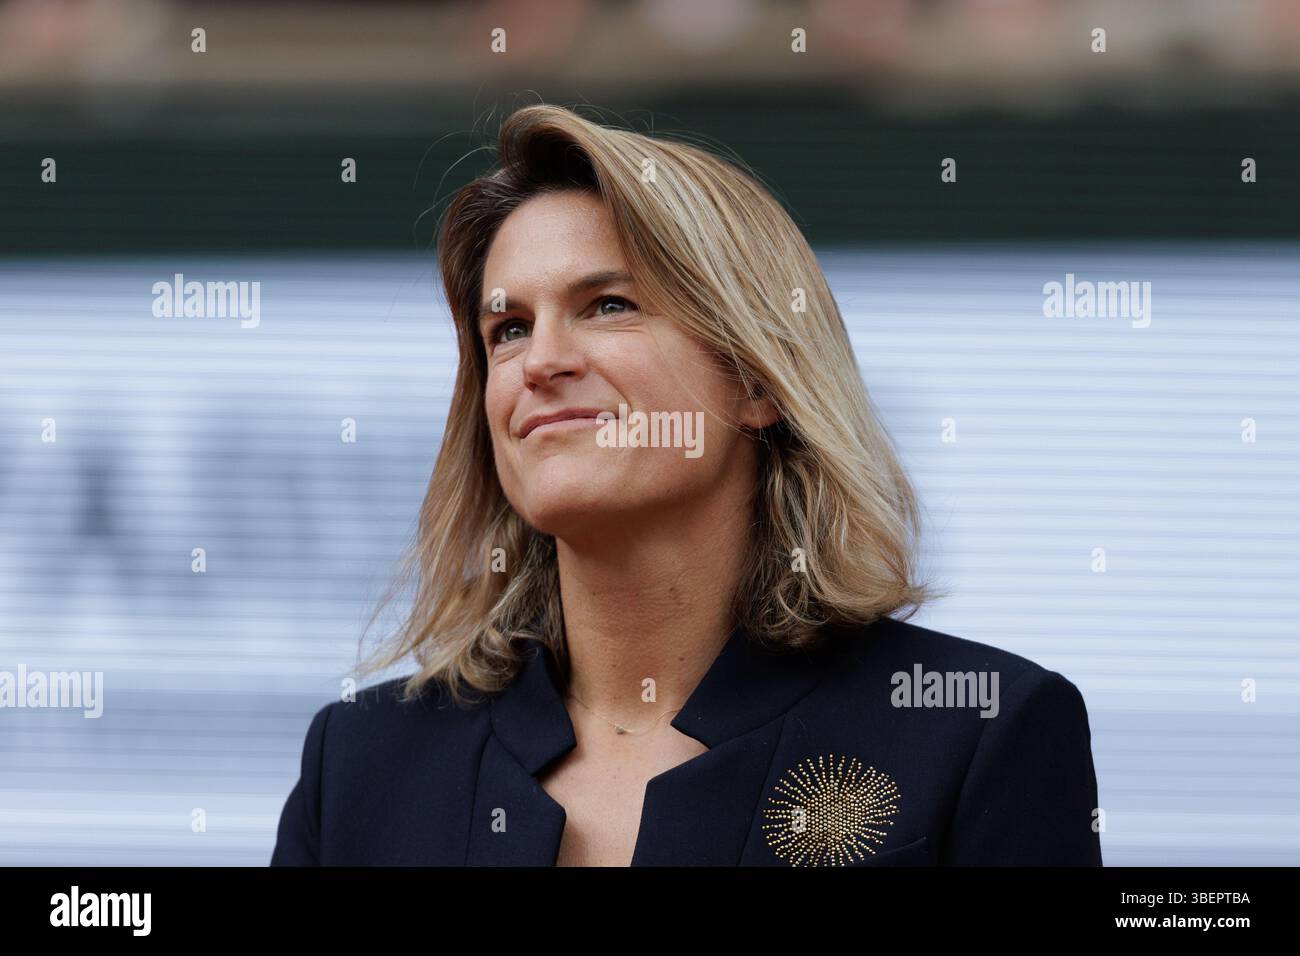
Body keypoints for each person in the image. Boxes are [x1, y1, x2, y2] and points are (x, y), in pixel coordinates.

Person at [270, 104, 1102, 867]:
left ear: (757, 381)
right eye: (509, 328)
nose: (542, 362)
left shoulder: (981, 730)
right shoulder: (360, 764)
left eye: (608, 306)